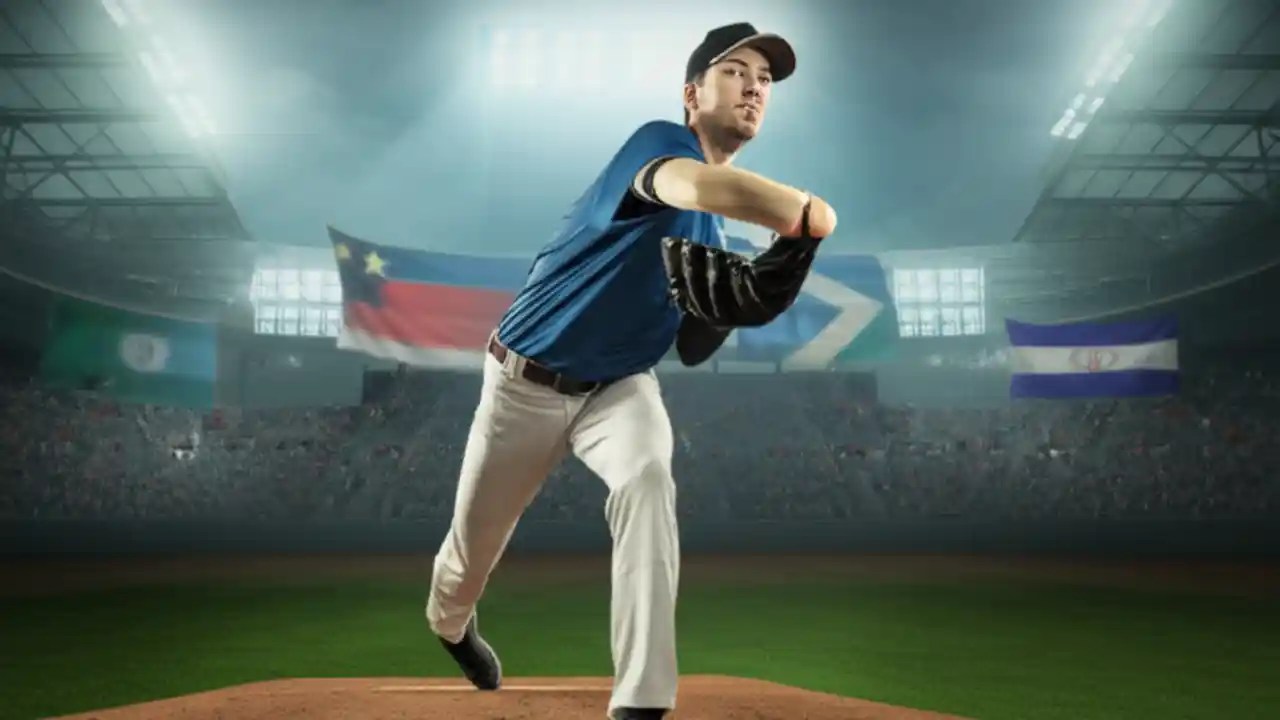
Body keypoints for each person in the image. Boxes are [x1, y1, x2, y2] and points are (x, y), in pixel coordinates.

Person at [425, 22, 838, 720]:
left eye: (765, 80)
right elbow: (696, 187)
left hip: (618, 388)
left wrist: (754, 294)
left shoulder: (713, 235)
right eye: (736, 71)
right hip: (525, 381)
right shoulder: (658, 146)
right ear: (691, 93)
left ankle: (642, 701)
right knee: (469, 556)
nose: (755, 87)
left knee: (648, 479)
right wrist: (803, 217)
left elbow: (695, 345)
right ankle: (450, 624)